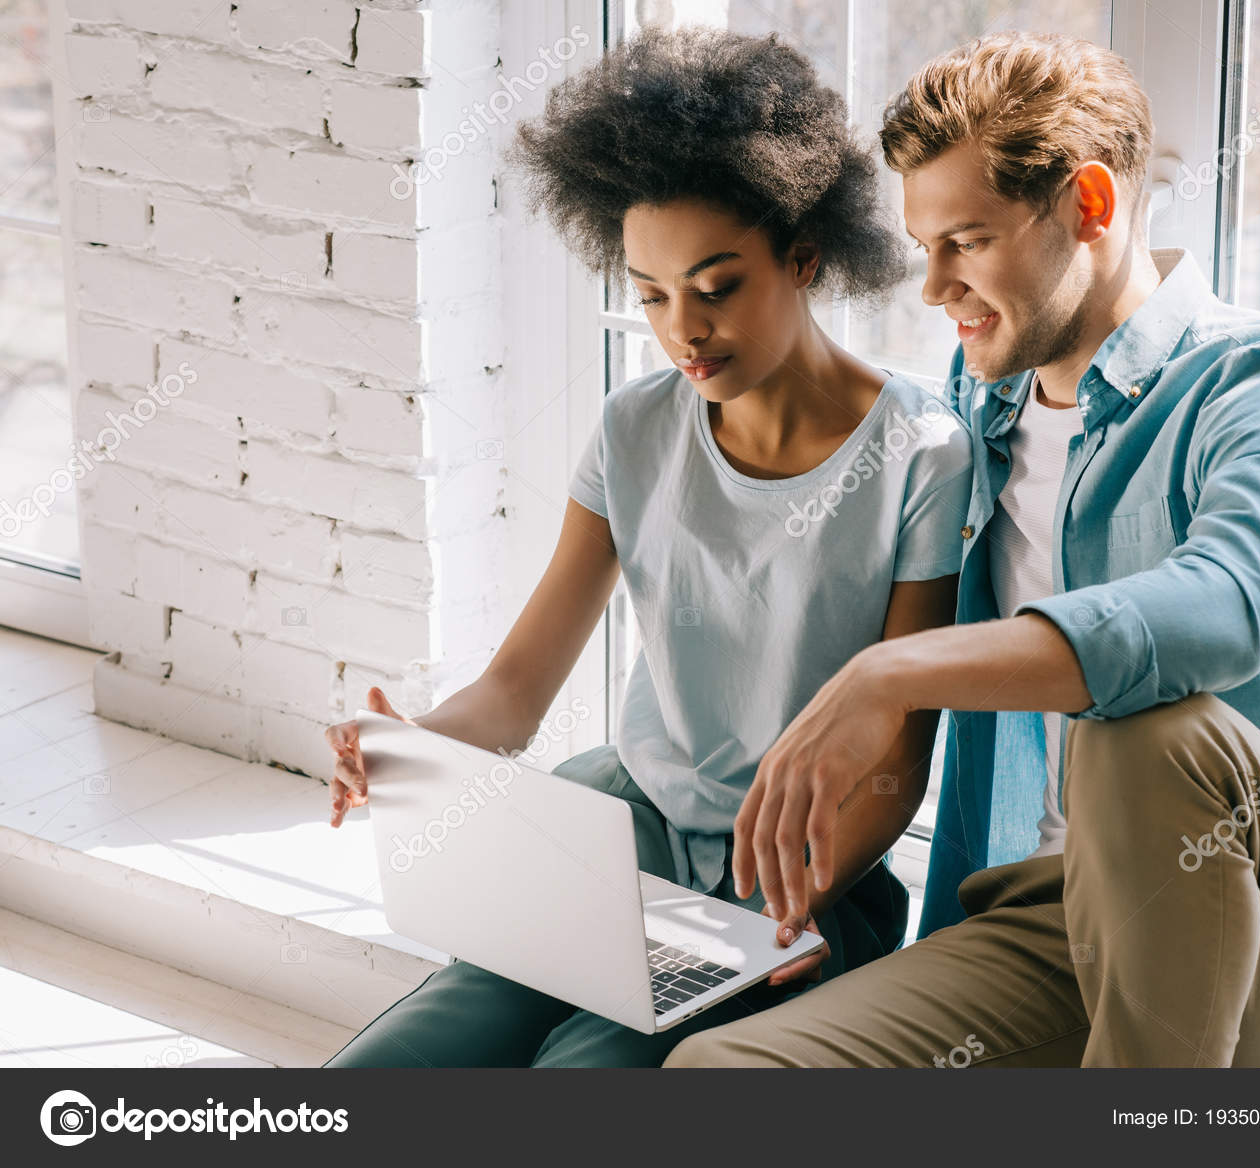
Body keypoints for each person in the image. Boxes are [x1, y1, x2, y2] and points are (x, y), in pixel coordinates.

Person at [666, 31, 1260, 1069]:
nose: (933, 284)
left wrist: (891, 673)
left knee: (1140, 730)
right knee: (720, 1074)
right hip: (1059, 912)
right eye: (924, 243)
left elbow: (1221, 611)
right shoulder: (975, 405)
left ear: (1087, 206)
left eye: (968, 240)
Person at [319, 25, 972, 1068]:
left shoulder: (921, 456)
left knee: (578, 1075)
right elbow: (517, 690)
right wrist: (406, 754)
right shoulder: (635, 428)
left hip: (798, 885)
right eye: (653, 293)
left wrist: (785, 909)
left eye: (717, 287)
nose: (683, 331)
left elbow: (897, 763)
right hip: (612, 834)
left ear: (804, 256)